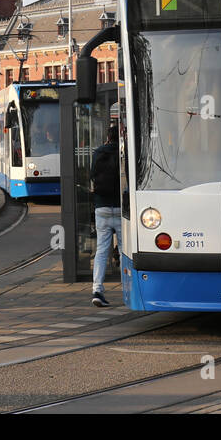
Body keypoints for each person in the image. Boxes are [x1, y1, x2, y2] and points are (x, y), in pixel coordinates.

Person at [90, 127, 122, 307]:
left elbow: (92, 175)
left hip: (101, 206)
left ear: (107, 138)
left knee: (102, 251)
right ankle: (130, 288)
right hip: (119, 207)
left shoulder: (98, 153)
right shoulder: (122, 152)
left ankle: (97, 290)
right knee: (126, 250)